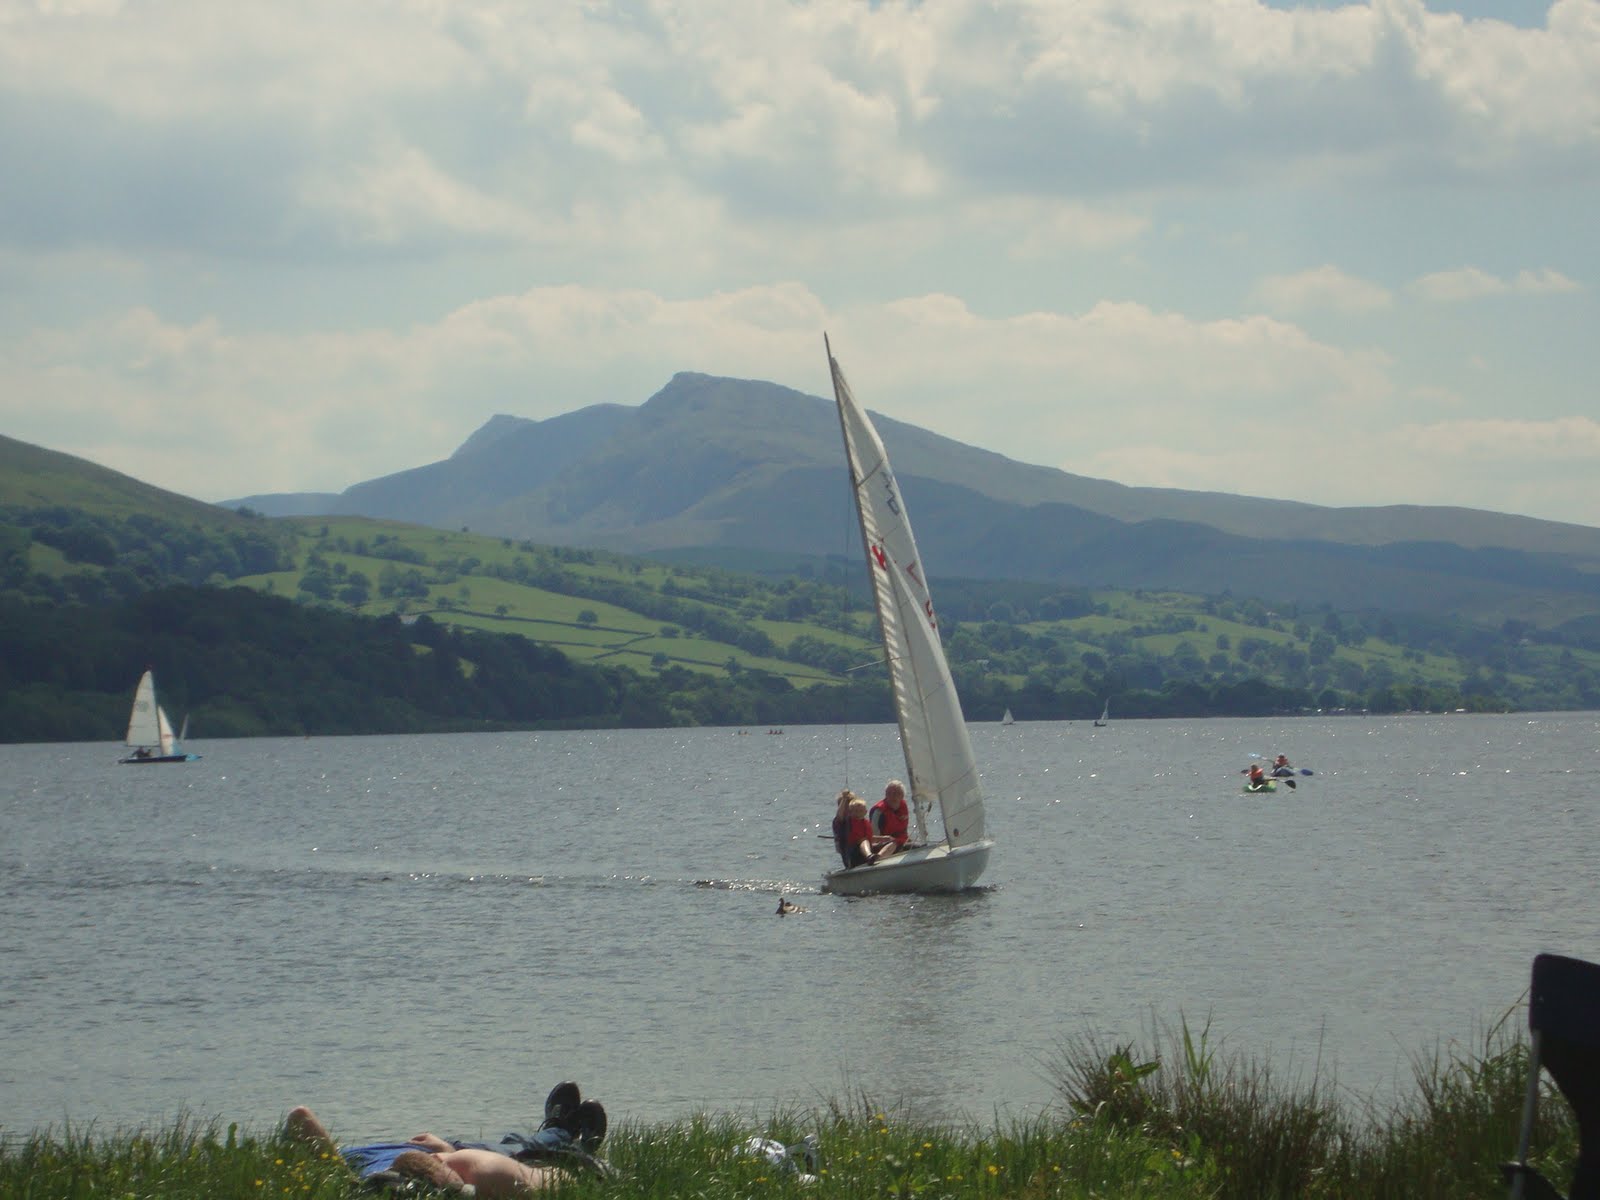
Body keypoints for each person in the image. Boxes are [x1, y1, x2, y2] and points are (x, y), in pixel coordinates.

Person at [284, 1086, 608, 1198]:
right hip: (455, 1153)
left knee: (509, 1142)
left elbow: (299, 1116)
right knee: (523, 1147)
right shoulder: (462, 1171)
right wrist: (450, 1156)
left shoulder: (344, 1174)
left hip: (445, 1149)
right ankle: (568, 1134)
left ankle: (560, 1130)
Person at [869, 780, 911, 857]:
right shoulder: (878, 811)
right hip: (883, 845)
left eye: (896, 793)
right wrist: (887, 839)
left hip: (901, 842)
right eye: (889, 793)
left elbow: (904, 831)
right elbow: (874, 836)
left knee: (918, 847)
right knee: (894, 844)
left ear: (902, 796)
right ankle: (877, 858)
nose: (892, 796)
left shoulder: (903, 806)